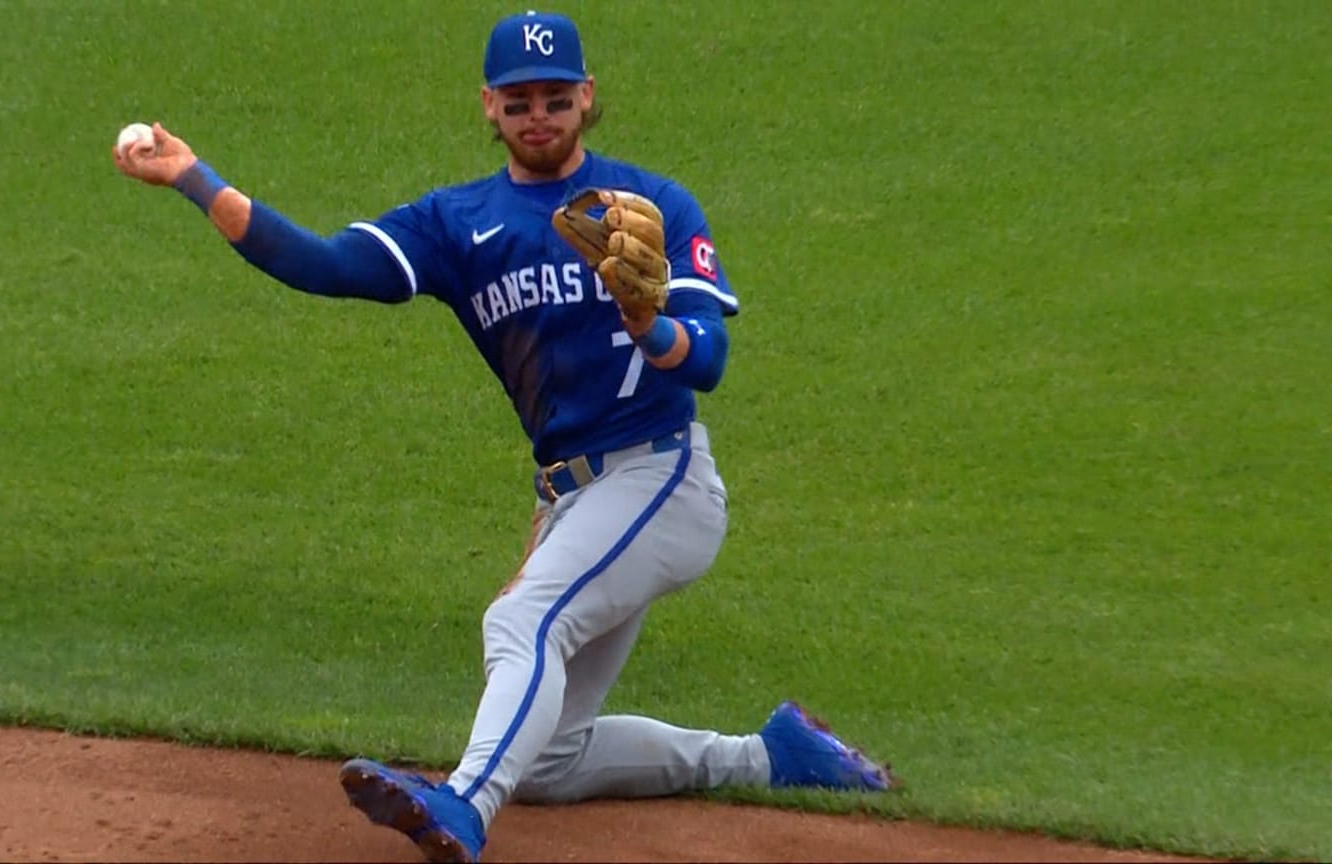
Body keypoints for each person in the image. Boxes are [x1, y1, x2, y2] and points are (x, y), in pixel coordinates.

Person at [112, 10, 892, 863]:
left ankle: (462, 808)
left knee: (522, 622)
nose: (539, 115)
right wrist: (196, 179)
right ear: (489, 106)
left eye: (557, 98)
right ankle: (772, 756)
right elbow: (326, 265)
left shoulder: (656, 205)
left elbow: (706, 361)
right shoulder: (457, 223)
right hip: (570, 495)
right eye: (520, 101)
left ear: (588, 99)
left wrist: (647, 323)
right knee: (553, 759)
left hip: (663, 479)